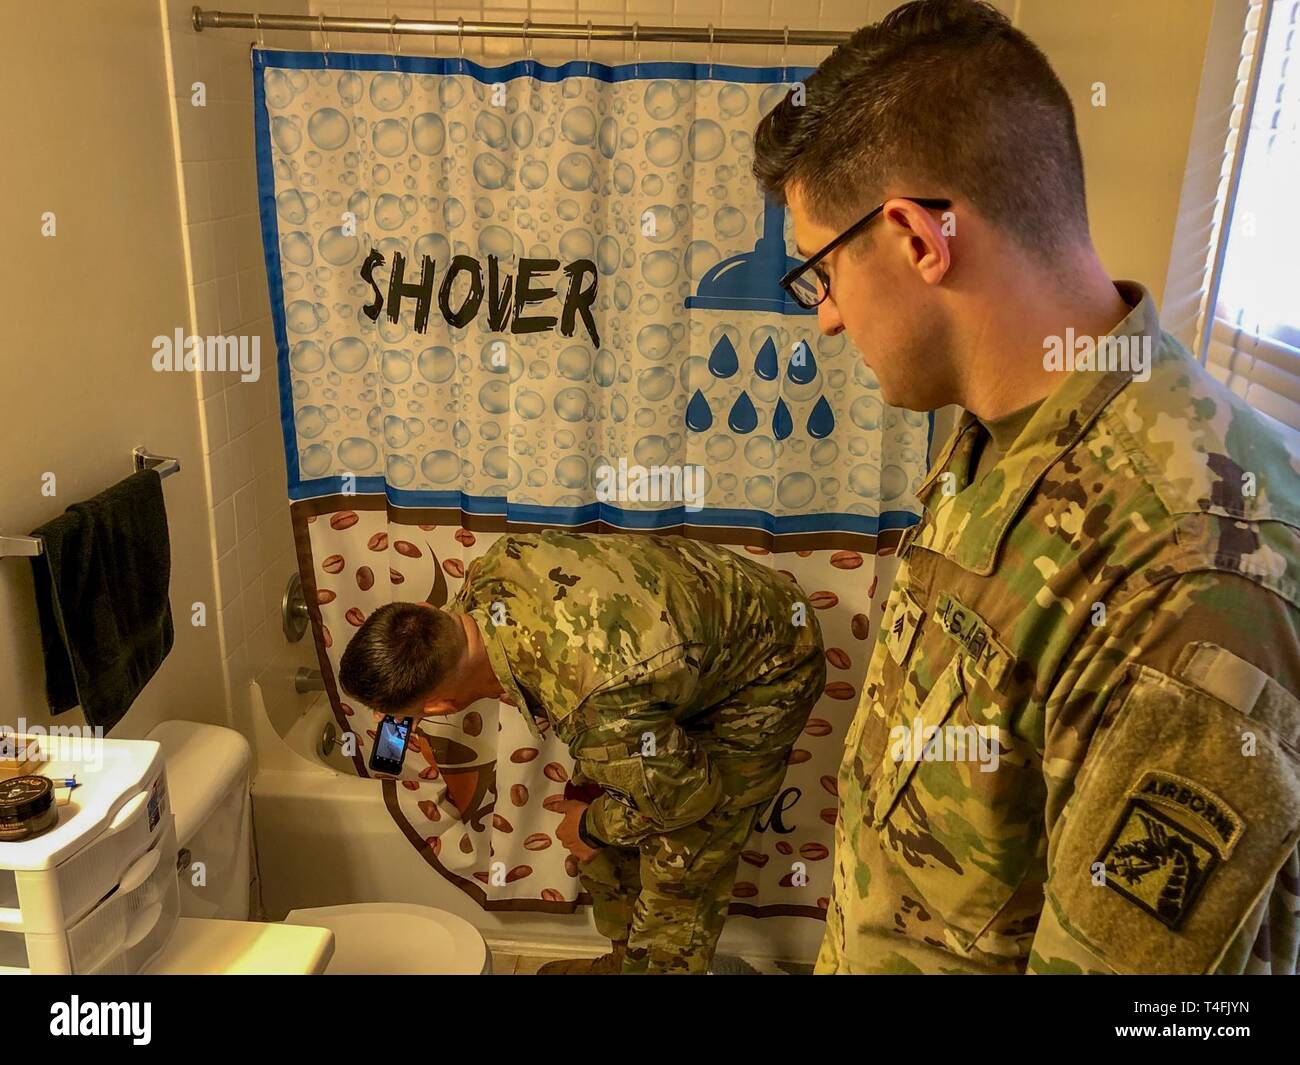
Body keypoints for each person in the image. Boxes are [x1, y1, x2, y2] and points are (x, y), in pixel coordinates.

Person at [752, 0, 1300, 974]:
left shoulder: (1190, 567)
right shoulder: (1000, 435)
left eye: (820, 274)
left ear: (919, 239)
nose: (826, 320)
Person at [338, 529, 825, 974]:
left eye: (419, 711)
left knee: (683, 858)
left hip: (765, 671)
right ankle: (622, 962)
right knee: (595, 801)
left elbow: (687, 798)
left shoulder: (597, 701)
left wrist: (593, 825)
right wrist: (397, 728)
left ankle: (662, 965)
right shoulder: (490, 571)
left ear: (440, 704)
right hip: (680, 653)